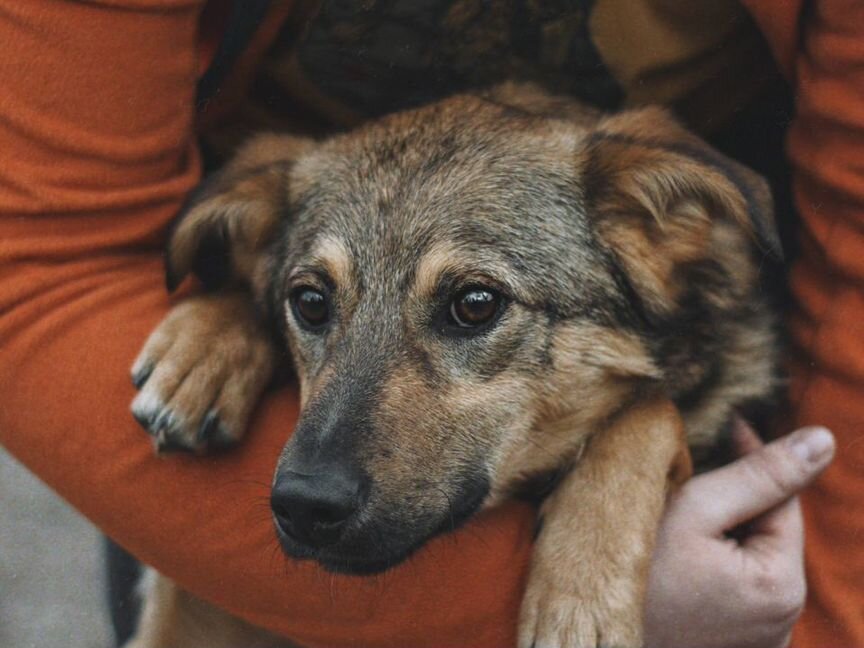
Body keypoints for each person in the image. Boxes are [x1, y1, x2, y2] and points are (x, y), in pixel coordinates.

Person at [0, 1, 860, 646]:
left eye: (472, 305)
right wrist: (231, 310)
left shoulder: (643, 225)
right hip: (257, 241)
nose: (312, 479)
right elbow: (38, 263)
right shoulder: (272, 219)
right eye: (310, 303)